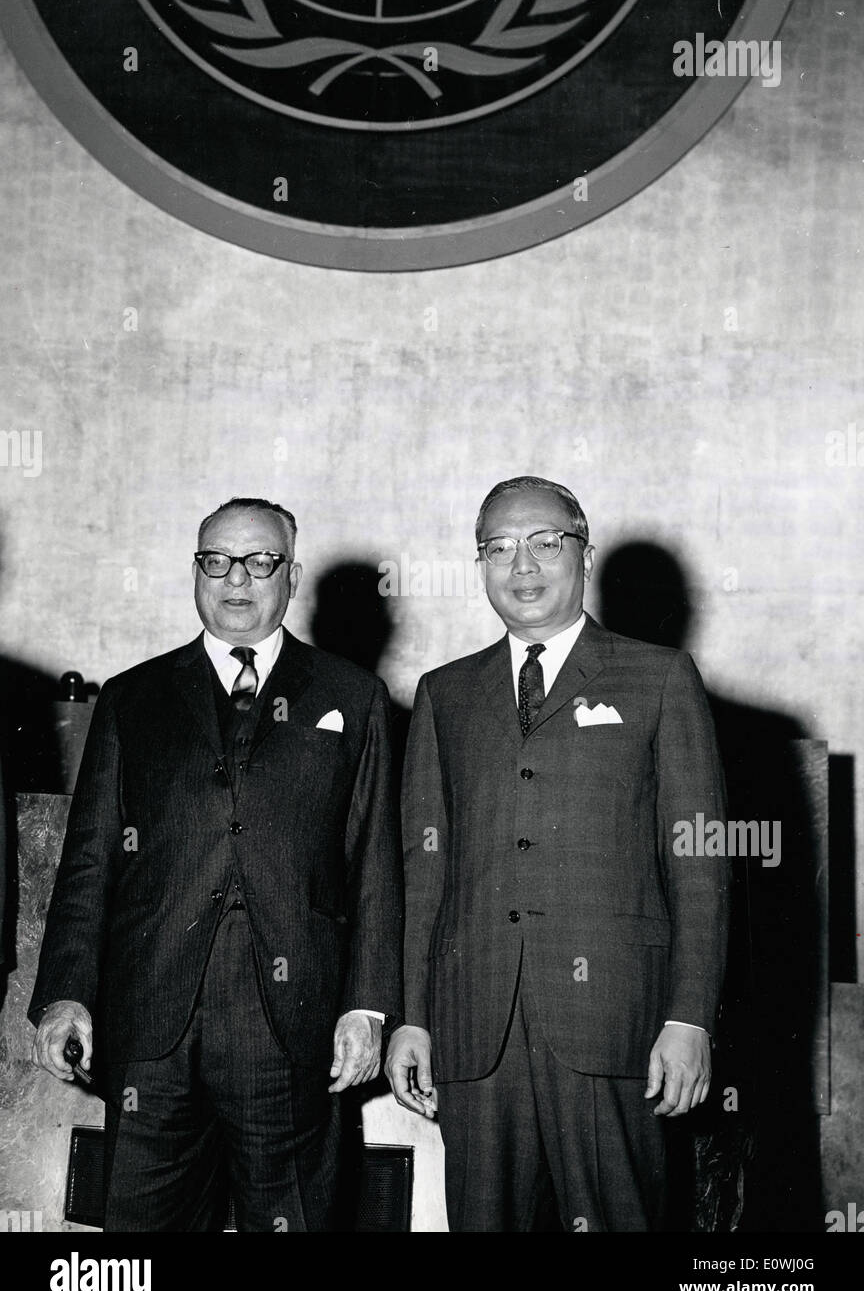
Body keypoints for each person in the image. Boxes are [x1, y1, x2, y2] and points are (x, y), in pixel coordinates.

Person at [30, 496, 403, 1232]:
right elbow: (89, 862)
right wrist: (65, 993)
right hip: (153, 1029)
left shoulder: (352, 698)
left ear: (292, 576)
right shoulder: (133, 698)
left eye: (261, 561)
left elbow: (377, 868)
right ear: (195, 571)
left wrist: (366, 1007)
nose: (238, 579)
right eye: (217, 561)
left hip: (293, 1031)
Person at [386, 475, 729, 1232]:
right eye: (499, 548)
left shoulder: (659, 678)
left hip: (617, 1027)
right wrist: (412, 1017)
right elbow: (424, 873)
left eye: (547, 543)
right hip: (476, 1032)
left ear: (585, 552)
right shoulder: (443, 695)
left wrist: (690, 1016)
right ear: (479, 564)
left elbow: (699, 865)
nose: (524, 566)